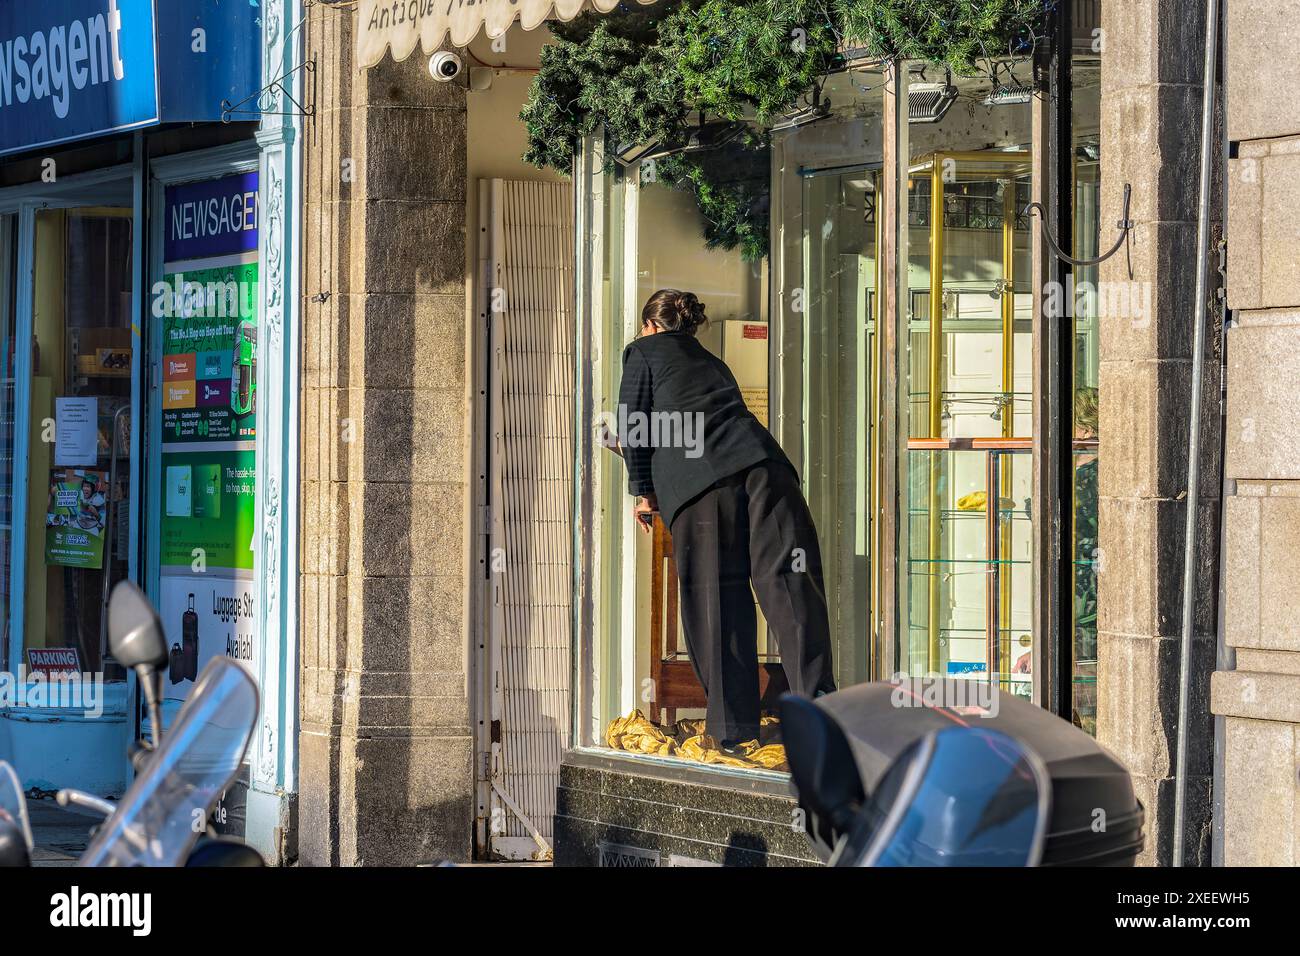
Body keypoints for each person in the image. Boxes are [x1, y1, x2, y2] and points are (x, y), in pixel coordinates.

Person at [618, 288, 836, 748]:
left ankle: (733, 732)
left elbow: (634, 423)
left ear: (651, 325)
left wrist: (644, 493)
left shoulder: (643, 351)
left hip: (702, 487)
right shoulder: (713, 362)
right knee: (791, 590)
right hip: (767, 469)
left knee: (717, 601)